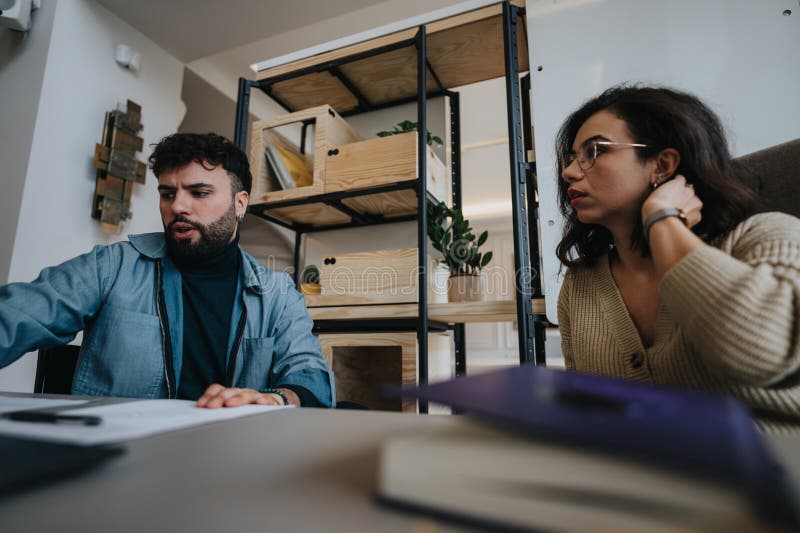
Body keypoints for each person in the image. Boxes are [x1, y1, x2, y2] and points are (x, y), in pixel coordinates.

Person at [0, 133, 334, 408]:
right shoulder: (113, 265)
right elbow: (19, 315)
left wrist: (274, 398)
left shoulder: (278, 294)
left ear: (240, 203)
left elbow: (310, 378)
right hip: (120, 459)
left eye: (199, 192)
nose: (177, 206)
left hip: (230, 461)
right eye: (167, 193)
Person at [555, 85, 800, 430]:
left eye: (594, 151)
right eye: (570, 159)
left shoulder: (765, 237)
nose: (569, 172)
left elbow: (761, 353)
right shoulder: (581, 283)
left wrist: (662, 218)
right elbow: (586, 411)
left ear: (662, 165)